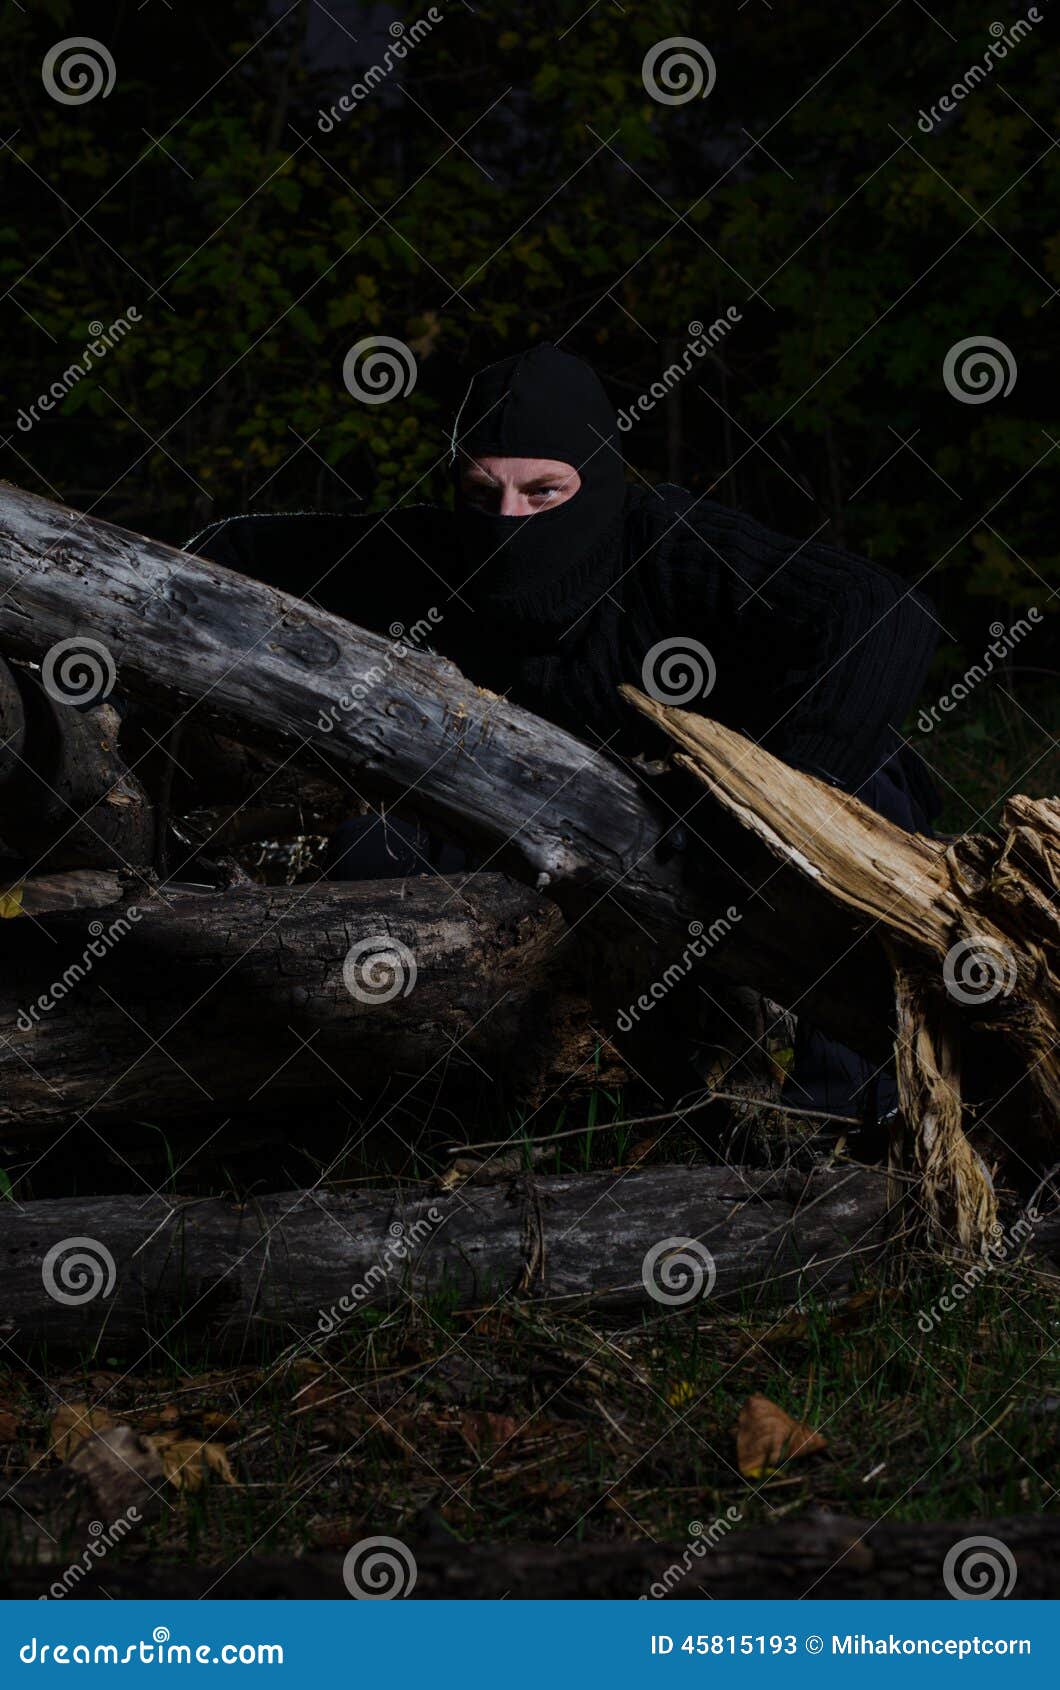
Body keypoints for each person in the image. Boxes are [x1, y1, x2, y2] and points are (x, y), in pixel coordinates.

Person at [187, 342, 940, 1120]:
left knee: (867, 792)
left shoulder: (669, 545)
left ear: (596, 482)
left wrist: (770, 806)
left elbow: (881, 611)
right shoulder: (433, 551)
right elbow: (228, 551)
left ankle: (852, 1118)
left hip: (711, 828)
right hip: (543, 829)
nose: (511, 520)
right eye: (486, 494)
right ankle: (402, 1107)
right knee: (364, 853)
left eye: (544, 492)